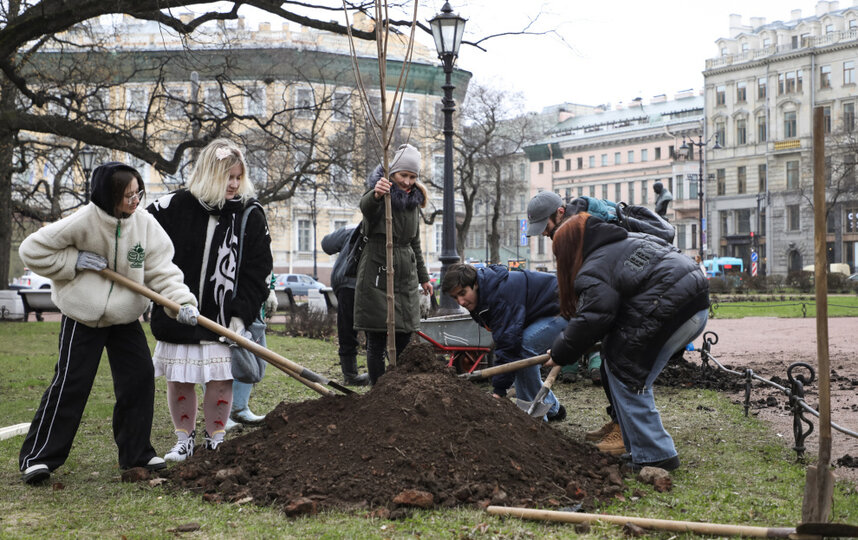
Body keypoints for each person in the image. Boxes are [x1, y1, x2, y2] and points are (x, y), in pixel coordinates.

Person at [18, 162, 199, 485]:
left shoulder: (145, 225)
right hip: (83, 314)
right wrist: (73, 262)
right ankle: (39, 457)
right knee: (72, 382)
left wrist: (182, 303)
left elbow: (162, 270)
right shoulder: (84, 220)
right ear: (108, 196)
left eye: (137, 193)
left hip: (125, 316)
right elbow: (32, 250)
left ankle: (136, 454)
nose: (135, 200)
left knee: (139, 378)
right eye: (128, 195)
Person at [546, 212, 709, 472]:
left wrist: (561, 351)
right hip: (694, 304)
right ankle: (640, 450)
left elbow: (594, 316)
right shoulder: (625, 241)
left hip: (671, 308)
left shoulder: (595, 265)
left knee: (628, 374)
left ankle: (657, 454)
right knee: (614, 367)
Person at [148, 139, 273, 461]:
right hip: (177, 313)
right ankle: (183, 440)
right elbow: (140, 244)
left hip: (223, 317)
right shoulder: (170, 208)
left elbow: (258, 270)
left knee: (220, 379)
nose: (233, 184)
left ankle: (215, 439)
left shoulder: (249, 213)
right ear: (207, 174)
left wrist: (240, 315)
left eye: (237, 177)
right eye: (226, 177)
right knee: (180, 378)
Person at [441, 263, 566, 422]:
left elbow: (509, 343)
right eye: (455, 297)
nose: (461, 302)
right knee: (520, 352)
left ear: (476, 284)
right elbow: (504, 338)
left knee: (522, 350)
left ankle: (533, 418)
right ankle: (551, 408)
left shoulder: (499, 295)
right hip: (544, 312)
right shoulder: (484, 296)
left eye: (462, 293)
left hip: (564, 309)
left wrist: (499, 390)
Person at [353, 144, 433, 385]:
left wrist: (423, 277)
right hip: (378, 270)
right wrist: (377, 194)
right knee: (376, 339)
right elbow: (366, 208)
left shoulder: (413, 202)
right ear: (391, 174)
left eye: (412, 176)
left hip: (405, 275)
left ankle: (399, 389)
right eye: (403, 175)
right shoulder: (380, 195)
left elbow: (415, 243)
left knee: (405, 338)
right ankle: (378, 390)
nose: (407, 181)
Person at [226, 280, 278, 432]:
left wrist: (271, 288)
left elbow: (264, 259)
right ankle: (221, 413)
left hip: (251, 293)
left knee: (250, 355)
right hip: (224, 292)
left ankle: (239, 409)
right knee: (219, 355)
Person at [322, 225, 370, 386]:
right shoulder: (381, 229)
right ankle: (373, 372)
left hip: (343, 282)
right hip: (364, 284)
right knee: (373, 330)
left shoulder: (351, 230)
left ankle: (350, 374)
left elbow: (327, 244)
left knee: (346, 329)